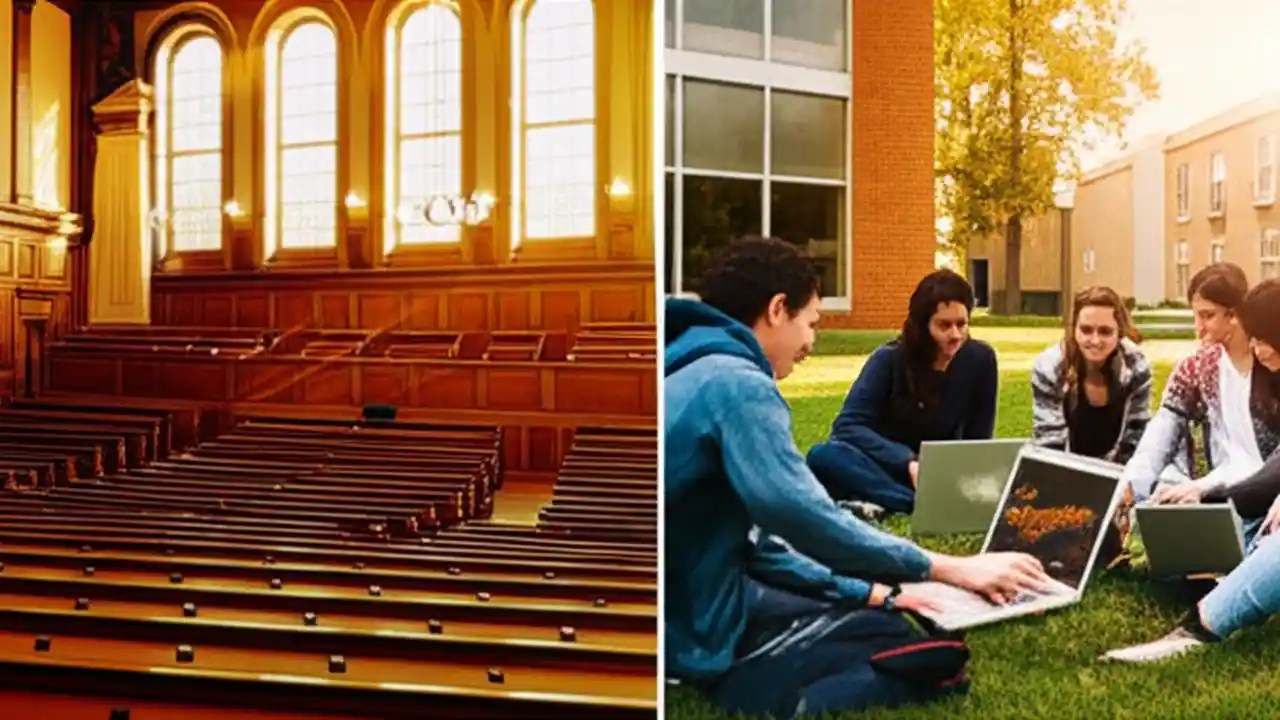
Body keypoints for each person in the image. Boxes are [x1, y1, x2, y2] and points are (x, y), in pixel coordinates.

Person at [665, 236, 1050, 717]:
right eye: (812, 323)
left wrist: (877, 592)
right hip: (687, 626)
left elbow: (760, 546)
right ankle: (773, 689)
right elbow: (802, 517)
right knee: (893, 639)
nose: (812, 341)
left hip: (676, 596)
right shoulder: (738, 384)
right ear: (778, 309)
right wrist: (947, 567)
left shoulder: (688, 369)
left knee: (878, 612)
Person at [1104, 278, 1280, 663]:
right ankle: (1219, 587)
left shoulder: (1268, 373)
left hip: (1247, 494)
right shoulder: (1202, 366)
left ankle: (1202, 624)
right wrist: (1131, 488)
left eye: (1208, 315)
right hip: (1248, 498)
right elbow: (1162, 433)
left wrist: (1216, 494)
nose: (1255, 346)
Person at [805, 270, 998, 515]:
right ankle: (915, 503)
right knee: (824, 456)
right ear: (922, 324)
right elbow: (848, 426)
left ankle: (893, 502)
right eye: (944, 325)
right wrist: (906, 461)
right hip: (883, 465)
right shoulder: (889, 360)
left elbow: (978, 442)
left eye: (962, 324)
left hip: (939, 473)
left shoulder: (981, 360)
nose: (955, 335)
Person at [1122, 263, 1264, 504]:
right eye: (1196, 315)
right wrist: (1134, 484)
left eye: (1207, 316)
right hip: (1225, 487)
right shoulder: (1199, 365)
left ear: (1234, 315)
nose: (1198, 327)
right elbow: (1164, 426)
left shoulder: (1269, 361)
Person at [1031, 286, 1153, 463]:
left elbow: (1136, 437)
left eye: (1105, 331)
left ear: (1119, 332)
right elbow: (1049, 443)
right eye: (1086, 330)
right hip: (1063, 466)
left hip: (1119, 471)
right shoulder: (1049, 368)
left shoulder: (1136, 368)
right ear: (1074, 330)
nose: (1095, 340)